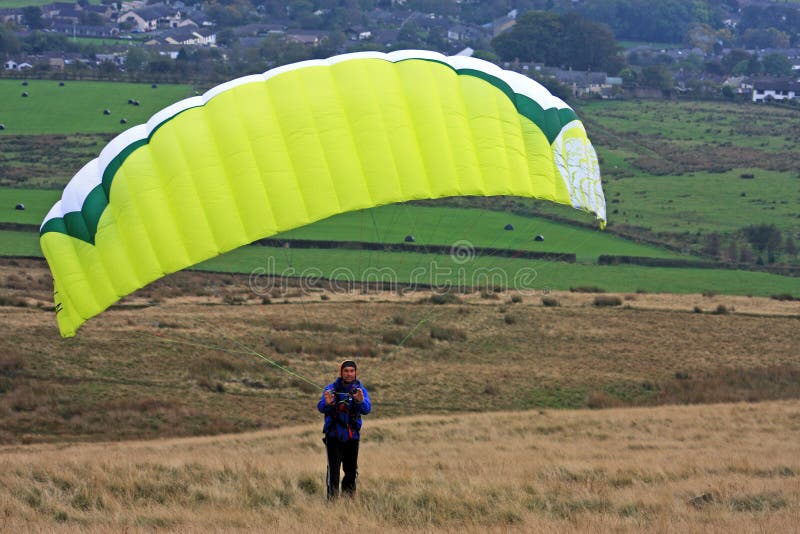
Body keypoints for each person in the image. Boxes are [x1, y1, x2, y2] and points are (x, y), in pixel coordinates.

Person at [317, 359, 371, 499]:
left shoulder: (360, 389)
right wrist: (327, 403)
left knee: (351, 471)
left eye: (352, 371)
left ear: (355, 372)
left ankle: (348, 501)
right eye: (346, 371)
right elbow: (321, 407)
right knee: (333, 471)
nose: (349, 374)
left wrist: (359, 401)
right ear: (341, 372)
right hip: (333, 437)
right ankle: (332, 501)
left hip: (352, 437)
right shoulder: (331, 388)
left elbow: (367, 409)